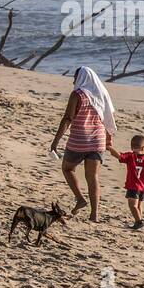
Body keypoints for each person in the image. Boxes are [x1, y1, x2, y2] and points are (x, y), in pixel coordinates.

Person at [50, 67, 116, 223]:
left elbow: (67, 118)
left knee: (67, 168)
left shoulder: (77, 94)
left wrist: (56, 141)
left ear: (81, 78)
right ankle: (94, 215)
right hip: (98, 141)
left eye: (75, 77)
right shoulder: (102, 94)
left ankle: (80, 199)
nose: (73, 81)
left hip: (79, 140)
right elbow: (107, 118)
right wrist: (108, 140)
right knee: (92, 177)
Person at [107, 134, 144, 230]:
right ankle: (139, 219)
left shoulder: (130, 156)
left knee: (132, 206)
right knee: (139, 205)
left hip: (133, 186)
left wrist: (110, 148)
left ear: (132, 147)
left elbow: (119, 156)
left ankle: (138, 222)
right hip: (143, 187)